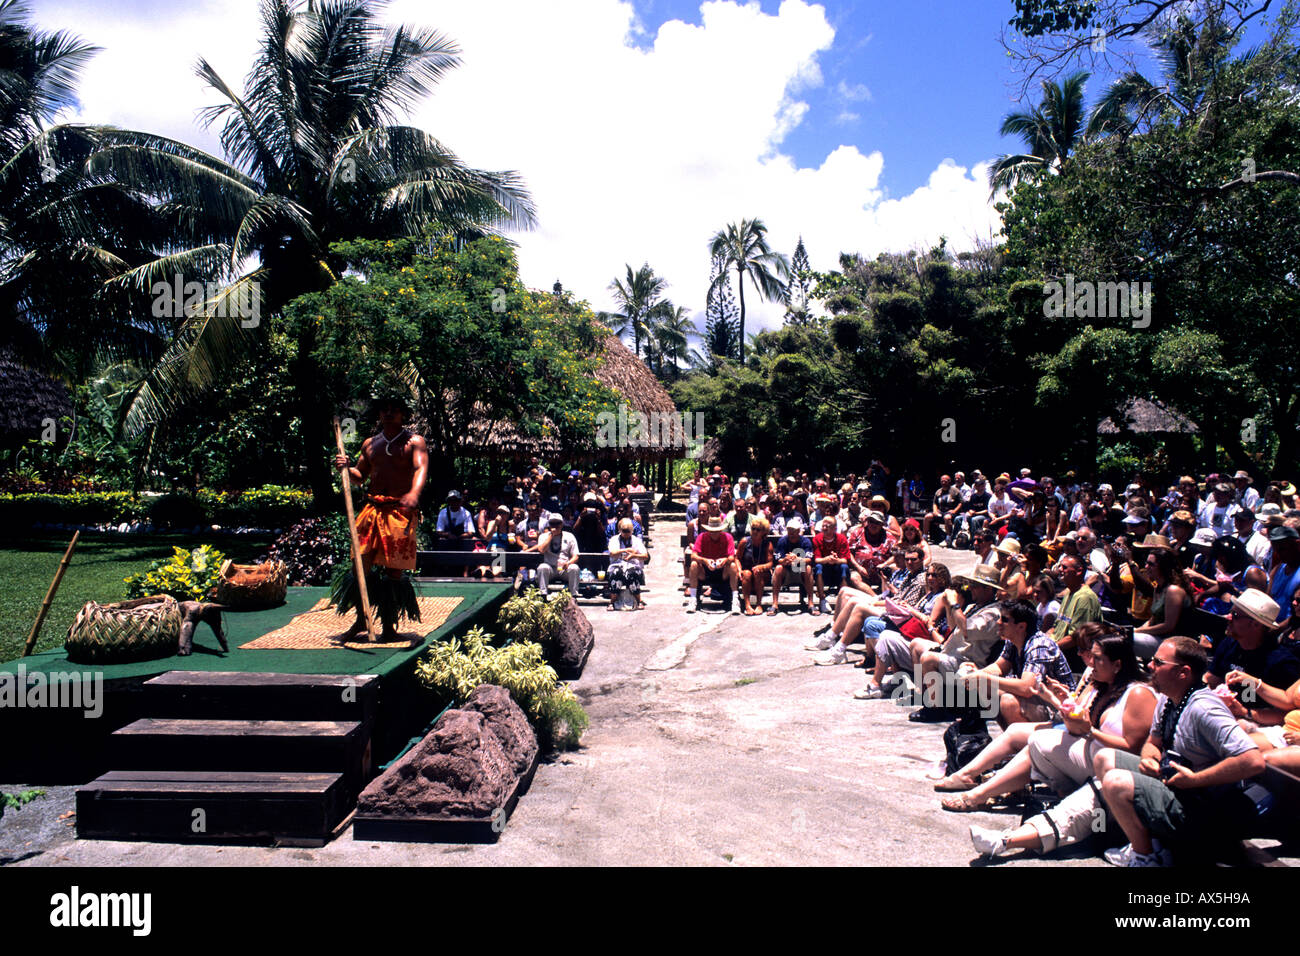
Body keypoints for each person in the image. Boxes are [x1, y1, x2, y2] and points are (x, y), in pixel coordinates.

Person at [966, 630, 1159, 856]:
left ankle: (1005, 840)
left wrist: (1091, 731)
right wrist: (1061, 700)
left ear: (1117, 665)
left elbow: (1132, 748)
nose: (1089, 662)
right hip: (1093, 759)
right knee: (1038, 741)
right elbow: (1077, 725)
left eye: (1097, 658)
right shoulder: (1101, 685)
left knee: (1075, 810)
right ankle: (1056, 793)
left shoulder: (1138, 693)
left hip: (1112, 768)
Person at [1094, 636, 1265, 867]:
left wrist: (1195, 780)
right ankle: (1147, 843)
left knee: (1116, 781)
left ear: (1183, 673)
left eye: (1158, 662)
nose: (1150, 666)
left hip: (1200, 807)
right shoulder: (1167, 698)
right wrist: (1149, 758)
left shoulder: (1205, 708)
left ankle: (1147, 858)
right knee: (1105, 758)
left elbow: (1253, 761)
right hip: (1174, 785)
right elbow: (1152, 742)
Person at [331, 396, 428, 639]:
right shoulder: (370, 443)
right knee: (359, 564)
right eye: (385, 409)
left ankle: (388, 626)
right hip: (372, 510)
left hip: (398, 511)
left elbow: (420, 468)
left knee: (393, 571)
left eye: (395, 410)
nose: (389, 413)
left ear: (403, 414)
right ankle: (361, 620)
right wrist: (345, 466)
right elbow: (359, 476)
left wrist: (414, 493)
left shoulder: (414, 442)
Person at [961, 598, 1076, 727]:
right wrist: (976, 674)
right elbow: (999, 667)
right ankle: (1013, 737)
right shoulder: (1013, 640)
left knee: (1009, 701)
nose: (998, 622)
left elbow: (1027, 688)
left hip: (1060, 709)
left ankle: (1022, 743)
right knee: (983, 686)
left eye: (1004, 620)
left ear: (1021, 626)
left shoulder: (1040, 645)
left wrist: (984, 677)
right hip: (1038, 701)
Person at [689, 517, 740, 614]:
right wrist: (705, 561)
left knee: (733, 565)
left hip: (722, 571)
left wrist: (724, 560)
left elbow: (732, 557)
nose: (714, 533)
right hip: (706, 571)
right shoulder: (702, 537)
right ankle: (693, 599)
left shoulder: (728, 537)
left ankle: (735, 600)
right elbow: (693, 556)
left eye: (717, 531)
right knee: (694, 564)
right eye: (712, 531)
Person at [770, 522, 814, 615]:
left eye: (794, 531)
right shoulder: (782, 541)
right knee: (778, 568)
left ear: (798, 531)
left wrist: (797, 559)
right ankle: (775, 604)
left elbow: (809, 559)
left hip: (800, 571)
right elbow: (778, 559)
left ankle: (811, 604)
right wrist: (785, 560)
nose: (792, 534)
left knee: (808, 568)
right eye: (790, 531)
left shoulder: (805, 541)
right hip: (787, 572)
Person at [606, 518, 649, 611]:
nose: (626, 533)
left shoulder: (636, 540)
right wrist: (625, 550)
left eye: (628, 531)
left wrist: (634, 555)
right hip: (617, 564)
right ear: (620, 530)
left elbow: (645, 556)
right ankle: (612, 601)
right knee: (616, 573)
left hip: (633, 565)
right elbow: (612, 552)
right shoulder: (614, 539)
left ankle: (638, 600)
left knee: (632, 573)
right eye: (624, 531)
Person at [812, 516, 849, 616]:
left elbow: (845, 560)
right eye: (823, 526)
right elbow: (816, 559)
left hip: (837, 570)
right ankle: (822, 600)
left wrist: (836, 560)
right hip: (825, 571)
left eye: (827, 526)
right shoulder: (817, 538)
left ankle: (843, 600)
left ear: (834, 528)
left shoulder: (841, 539)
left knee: (844, 568)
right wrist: (827, 559)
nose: (824, 528)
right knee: (818, 567)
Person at [738, 517, 775, 615]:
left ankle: (759, 604)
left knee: (757, 573)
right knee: (746, 574)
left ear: (764, 532)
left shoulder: (767, 544)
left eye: (758, 529)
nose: (754, 531)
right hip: (747, 570)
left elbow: (770, 563)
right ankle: (747, 605)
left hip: (762, 573)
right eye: (753, 528)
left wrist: (761, 567)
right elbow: (737, 558)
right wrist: (739, 570)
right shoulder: (744, 542)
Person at [537, 515, 580, 596]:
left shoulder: (569, 536)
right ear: (549, 525)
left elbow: (576, 556)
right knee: (542, 567)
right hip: (550, 569)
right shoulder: (543, 536)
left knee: (574, 568)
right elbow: (541, 550)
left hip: (564, 569)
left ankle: (574, 595)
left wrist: (568, 563)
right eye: (552, 523)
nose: (555, 526)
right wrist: (551, 536)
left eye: (558, 523)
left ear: (562, 524)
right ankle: (543, 594)